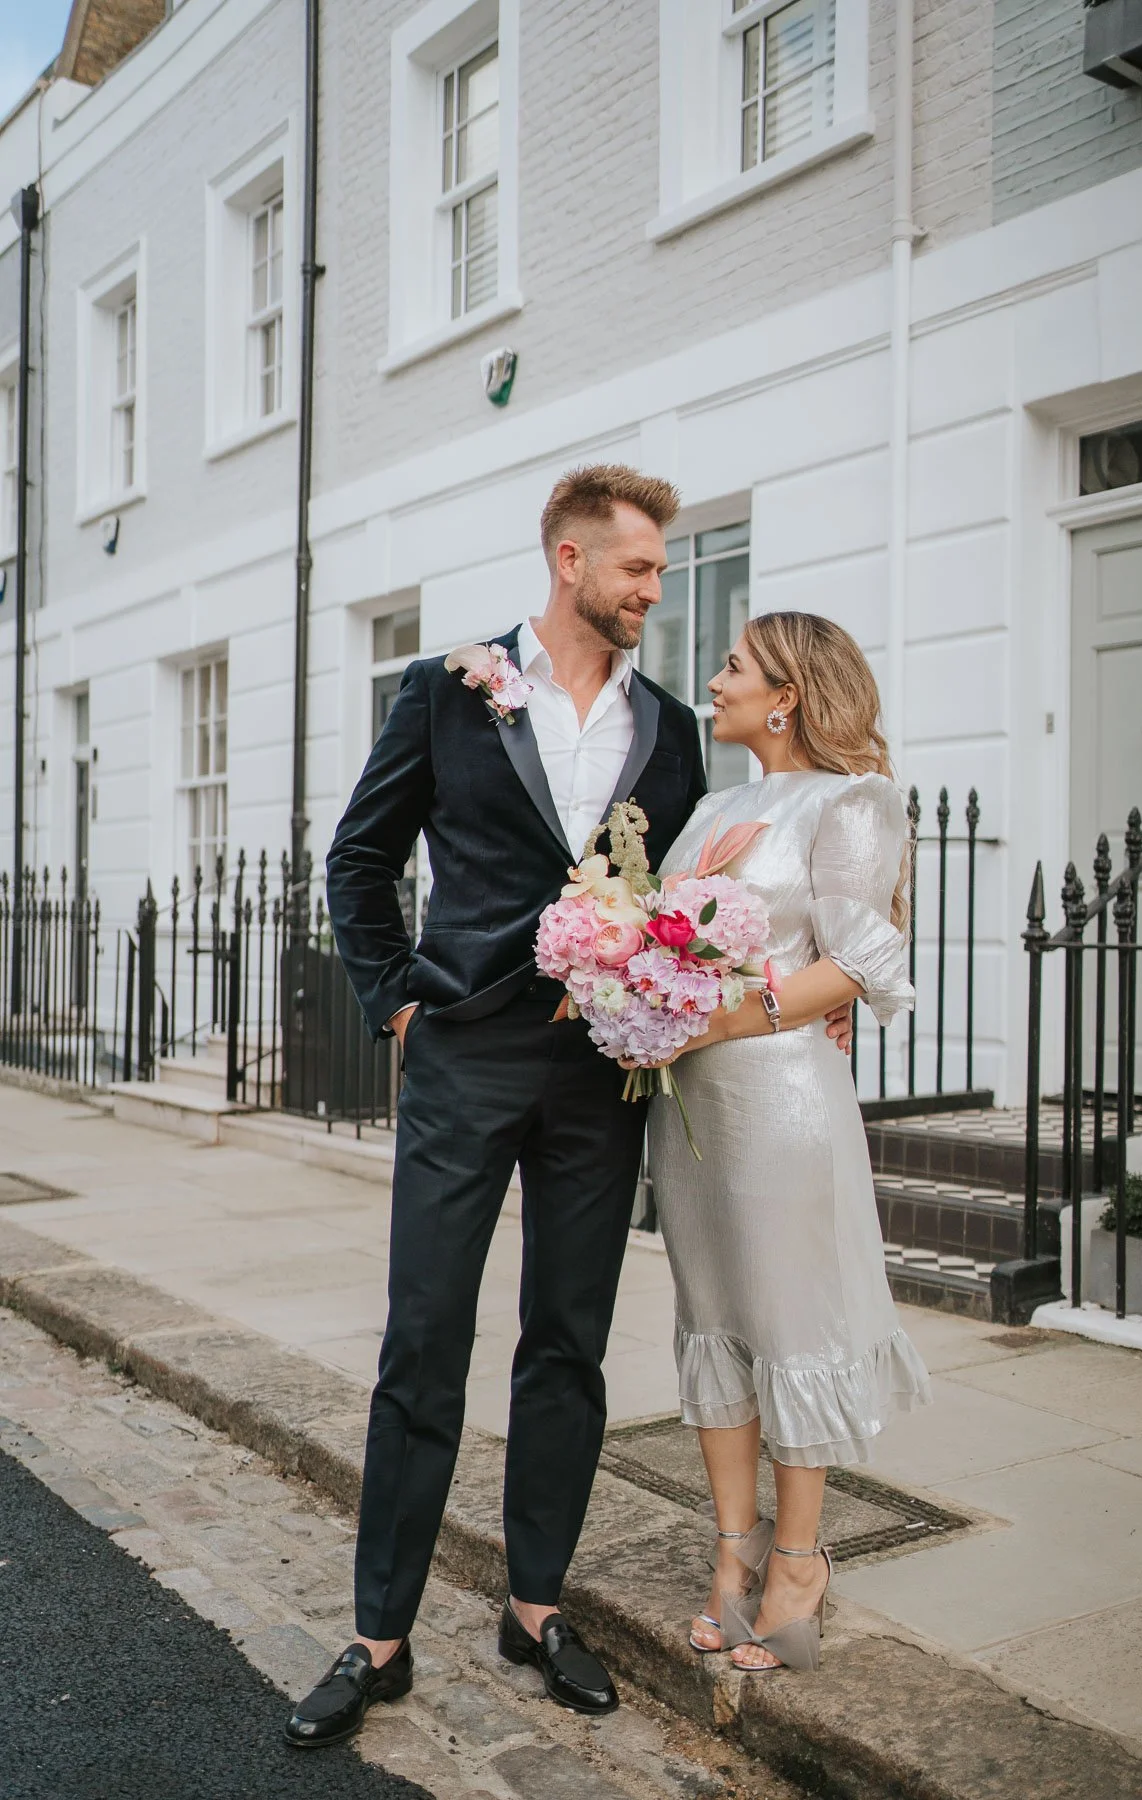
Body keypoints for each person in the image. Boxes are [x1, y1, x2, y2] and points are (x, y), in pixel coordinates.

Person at [283, 463, 859, 1747]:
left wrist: (799, 983)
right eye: (640, 569)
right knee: (424, 1336)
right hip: (465, 1056)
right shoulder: (449, 687)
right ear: (570, 562)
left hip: (606, 1074)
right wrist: (395, 1001)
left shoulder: (667, 721)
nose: (657, 589)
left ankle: (536, 1606)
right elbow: (361, 857)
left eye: (659, 570)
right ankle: (380, 1636)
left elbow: (702, 893)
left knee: (568, 1344)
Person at [645, 611, 932, 1674]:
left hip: (782, 1104)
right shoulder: (715, 806)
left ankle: (801, 1559)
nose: (712, 682)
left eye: (732, 666)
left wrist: (714, 1017)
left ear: (789, 695)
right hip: (695, 1113)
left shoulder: (848, 801)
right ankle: (734, 1551)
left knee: (790, 1321)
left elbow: (856, 964)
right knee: (713, 1319)